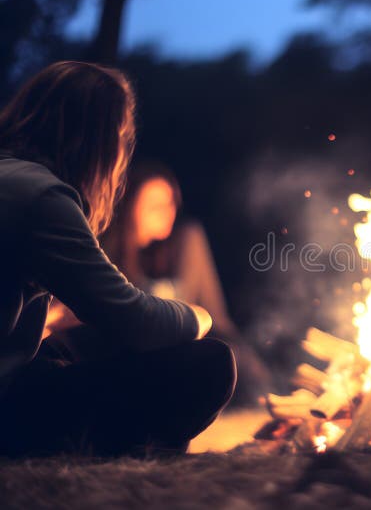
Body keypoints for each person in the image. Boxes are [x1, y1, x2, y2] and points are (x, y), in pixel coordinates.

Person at [0, 61, 236, 458]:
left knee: (64, 352)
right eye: (121, 137)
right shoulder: (42, 197)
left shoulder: (12, 179)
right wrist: (200, 316)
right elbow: (136, 321)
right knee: (211, 364)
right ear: (98, 140)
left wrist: (54, 318)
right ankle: (112, 448)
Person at [97, 161, 271, 405]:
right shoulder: (107, 253)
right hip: (139, 361)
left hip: (184, 348)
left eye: (169, 204)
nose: (166, 212)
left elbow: (216, 317)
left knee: (224, 353)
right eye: (154, 206)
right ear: (129, 208)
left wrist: (254, 369)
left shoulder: (183, 242)